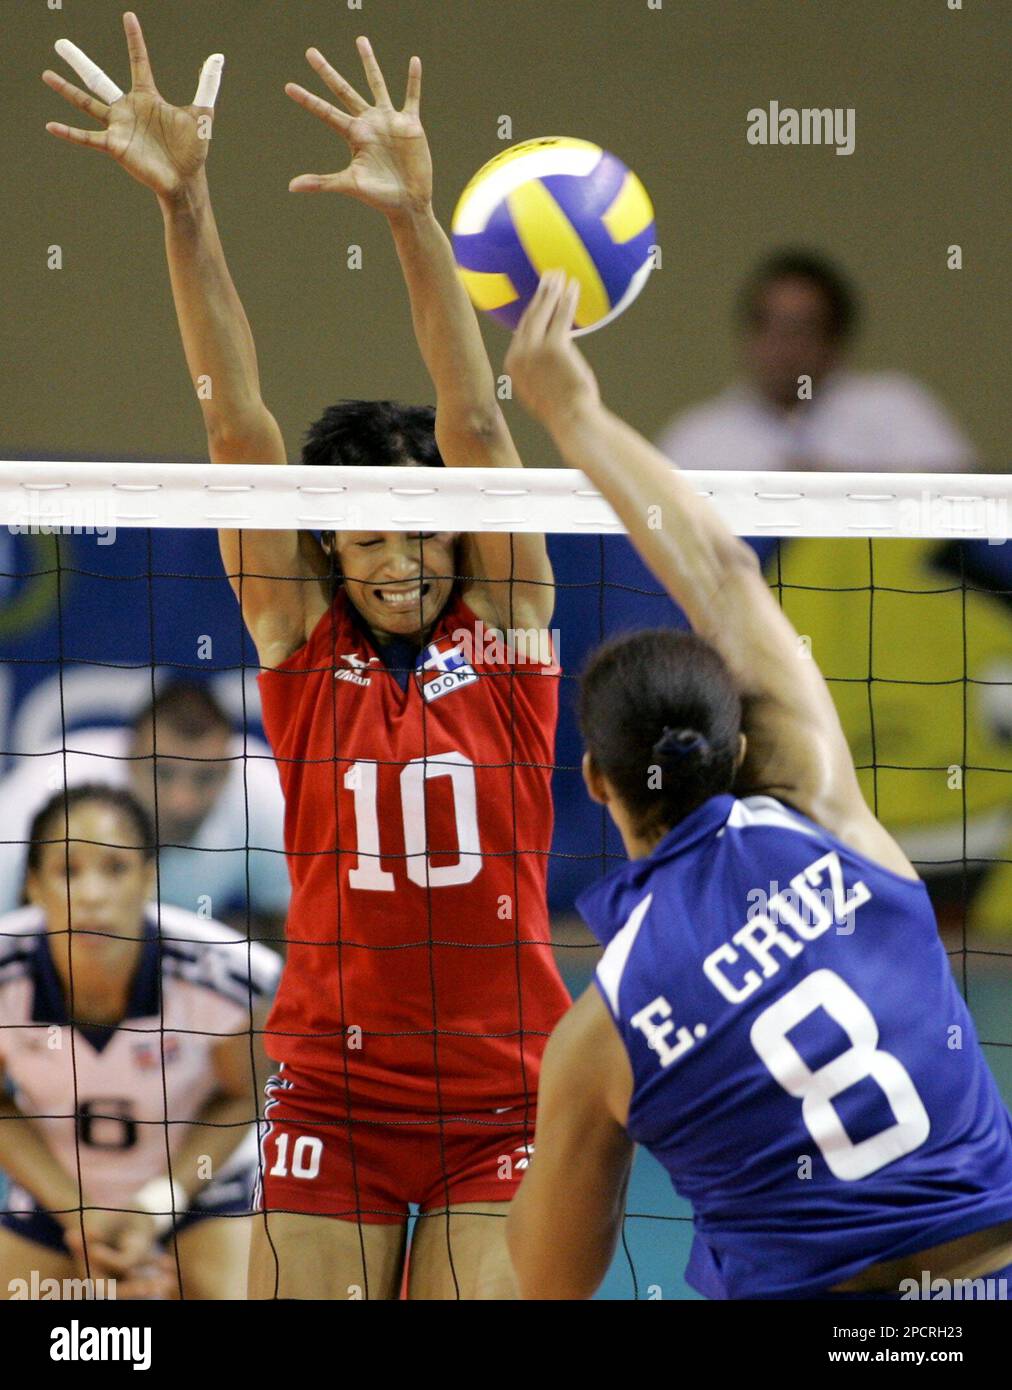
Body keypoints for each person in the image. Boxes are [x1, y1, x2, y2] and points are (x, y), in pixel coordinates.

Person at [44, 17, 569, 1299]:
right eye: (365, 533)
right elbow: (236, 424)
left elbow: (476, 425)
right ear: (327, 543)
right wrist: (185, 204)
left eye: (421, 526)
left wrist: (411, 218)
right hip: (332, 1087)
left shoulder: (508, 638)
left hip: (504, 1095)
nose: (399, 558)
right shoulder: (298, 638)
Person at [502, 273, 1012, 1300]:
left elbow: (546, 1284)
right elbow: (726, 574)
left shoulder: (598, 1034)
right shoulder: (831, 818)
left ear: (595, 781)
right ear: (739, 749)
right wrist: (576, 410)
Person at [0, 784, 280, 1300]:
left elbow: (243, 1093)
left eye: (115, 868)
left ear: (149, 878)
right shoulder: (6, 975)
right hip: (57, 1188)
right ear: (34, 886)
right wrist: (76, 1213)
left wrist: (155, 1208)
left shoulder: (226, 975)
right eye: (68, 871)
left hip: (198, 1189)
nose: (91, 894)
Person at [0, 681, 290, 944]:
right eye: (162, 773)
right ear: (128, 760)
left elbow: (296, 937)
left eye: (205, 778)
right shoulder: (43, 792)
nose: (182, 802)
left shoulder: (262, 793)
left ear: (230, 770)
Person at [659, 249, 976, 472]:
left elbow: (966, 513)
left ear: (835, 340)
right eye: (768, 326)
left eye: (800, 329)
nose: (782, 346)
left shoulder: (897, 410)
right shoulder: (697, 436)